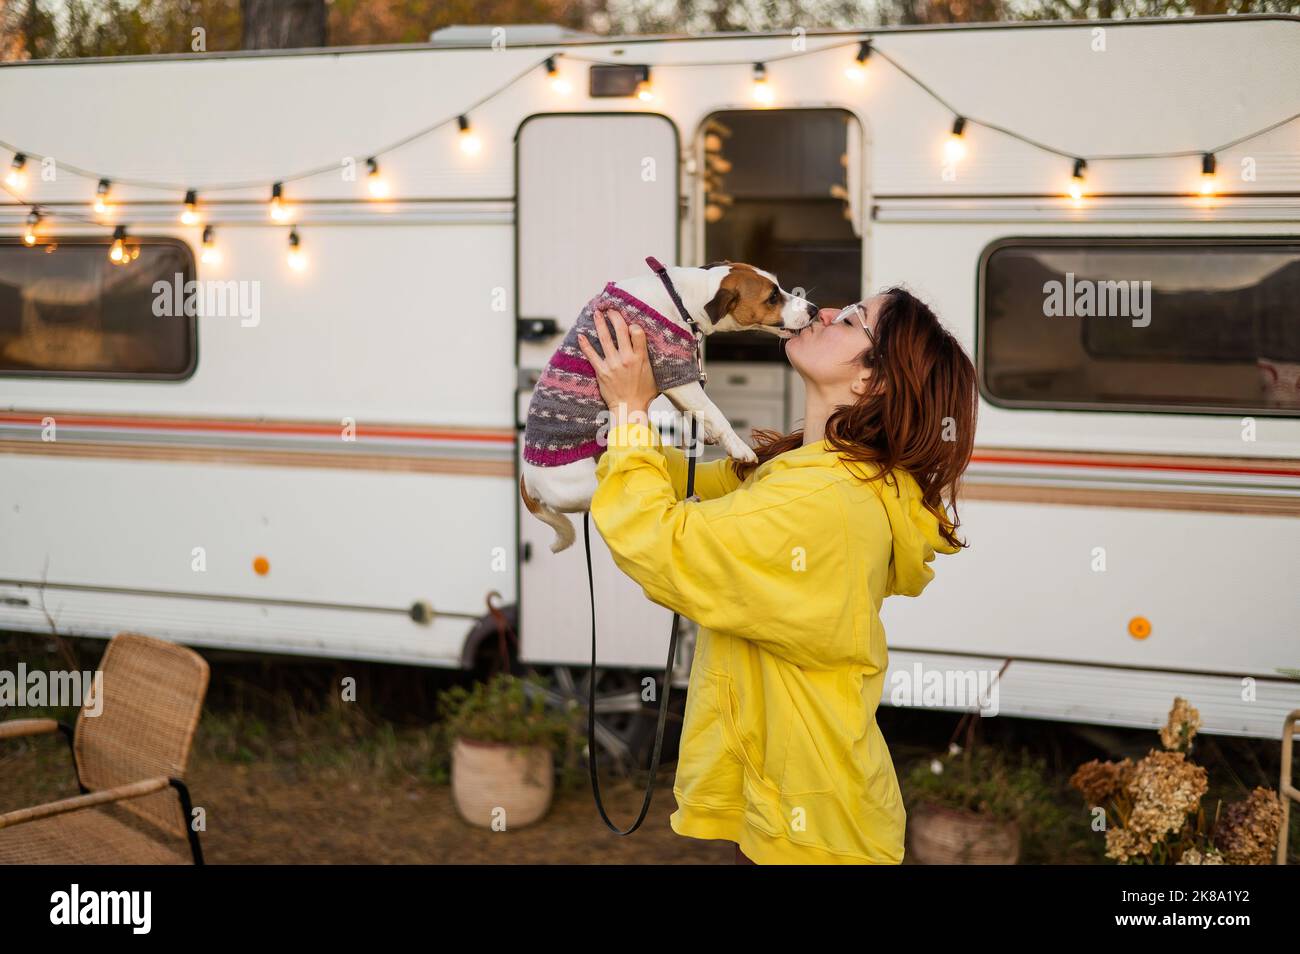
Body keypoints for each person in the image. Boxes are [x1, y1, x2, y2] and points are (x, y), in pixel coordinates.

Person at [575, 286, 977, 864]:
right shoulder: (805, 472)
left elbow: (664, 543)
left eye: (856, 320)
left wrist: (631, 412)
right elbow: (673, 484)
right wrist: (590, 430)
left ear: (871, 382)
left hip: (813, 827)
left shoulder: (823, 498)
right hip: (806, 808)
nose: (831, 311)